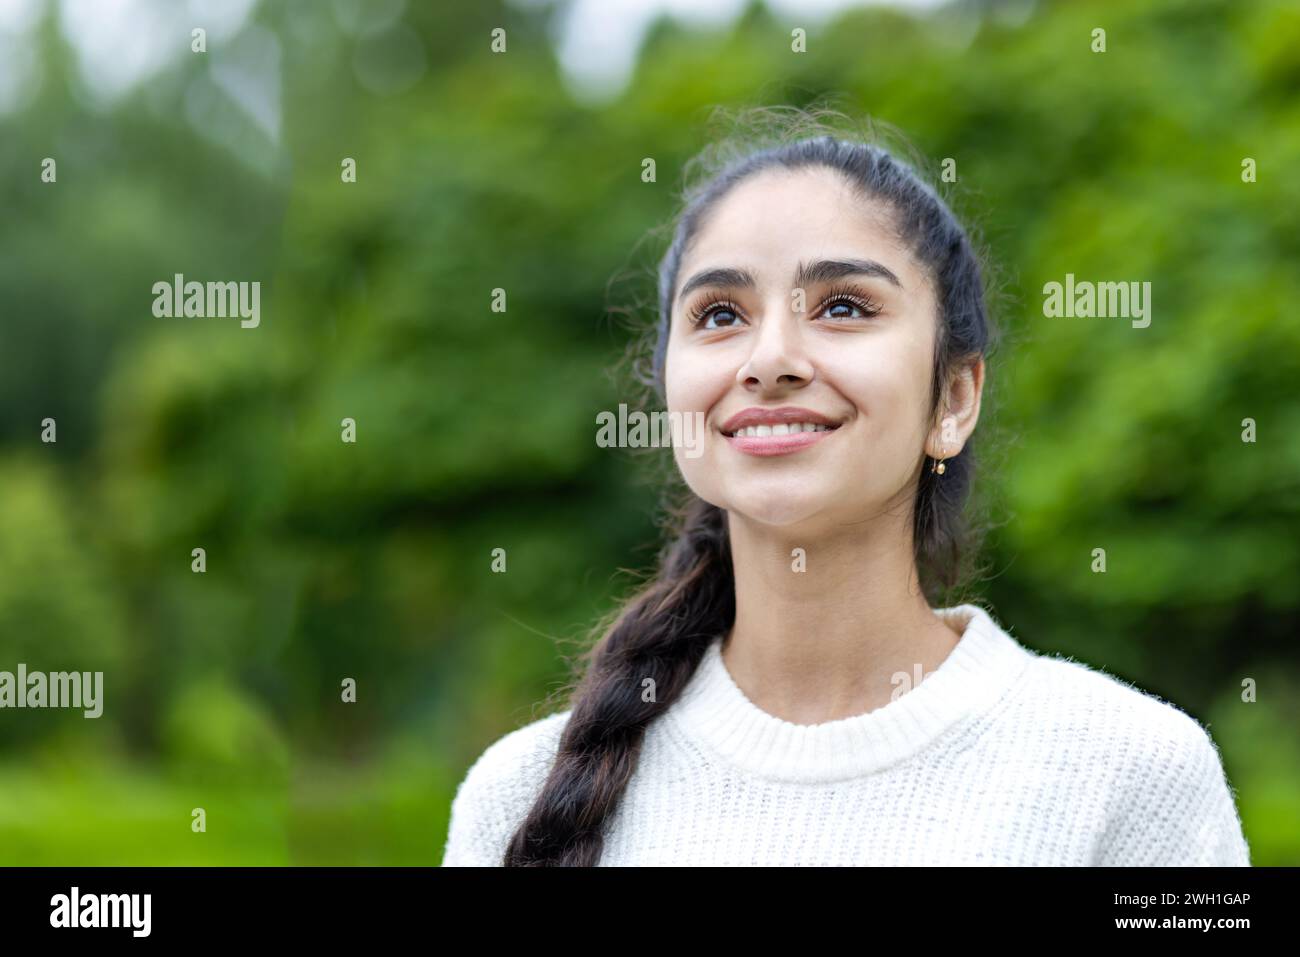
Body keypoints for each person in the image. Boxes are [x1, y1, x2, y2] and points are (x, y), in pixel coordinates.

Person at [442, 107, 1251, 867]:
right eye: (721, 314)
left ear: (955, 399)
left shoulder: (1130, 776)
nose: (770, 359)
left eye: (842, 305)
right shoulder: (519, 799)